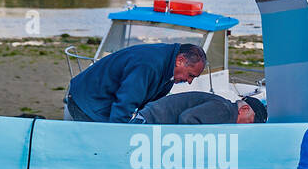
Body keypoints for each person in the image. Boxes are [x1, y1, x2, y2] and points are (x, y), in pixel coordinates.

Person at [64, 43, 206, 123]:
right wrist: (120, 136)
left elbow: (149, 106)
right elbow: (125, 104)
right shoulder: (149, 65)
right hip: (85, 103)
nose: (189, 82)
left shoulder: (169, 69)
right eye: (190, 75)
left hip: (101, 102)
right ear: (180, 60)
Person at [135, 91, 267, 125]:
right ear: (243, 110)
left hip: (148, 117)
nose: (248, 126)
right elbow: (187, 119)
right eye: (250, 122)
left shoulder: (223, 106)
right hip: (148, 120)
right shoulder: (225, 109)